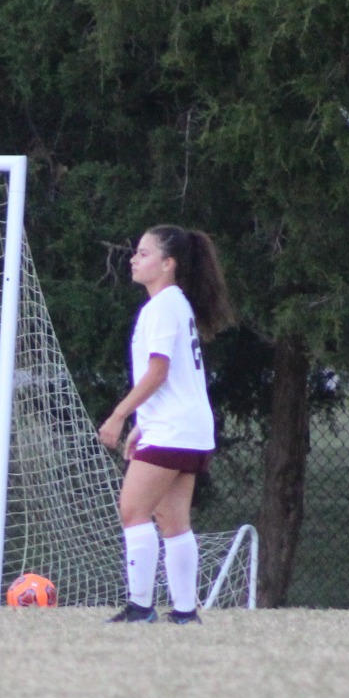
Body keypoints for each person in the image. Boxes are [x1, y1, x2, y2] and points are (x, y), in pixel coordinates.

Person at [98, 225, 235, 623]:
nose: (134, 259)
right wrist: (144, 424)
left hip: (174, 428)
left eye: (143, 253)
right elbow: (176, 378)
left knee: (132, 510)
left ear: (167, 263)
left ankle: (140, 608)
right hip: (187, 428)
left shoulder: (162, 307)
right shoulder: (175, 304)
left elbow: (159, 371)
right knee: (172, 521)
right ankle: (185, 612)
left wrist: (120, 415)